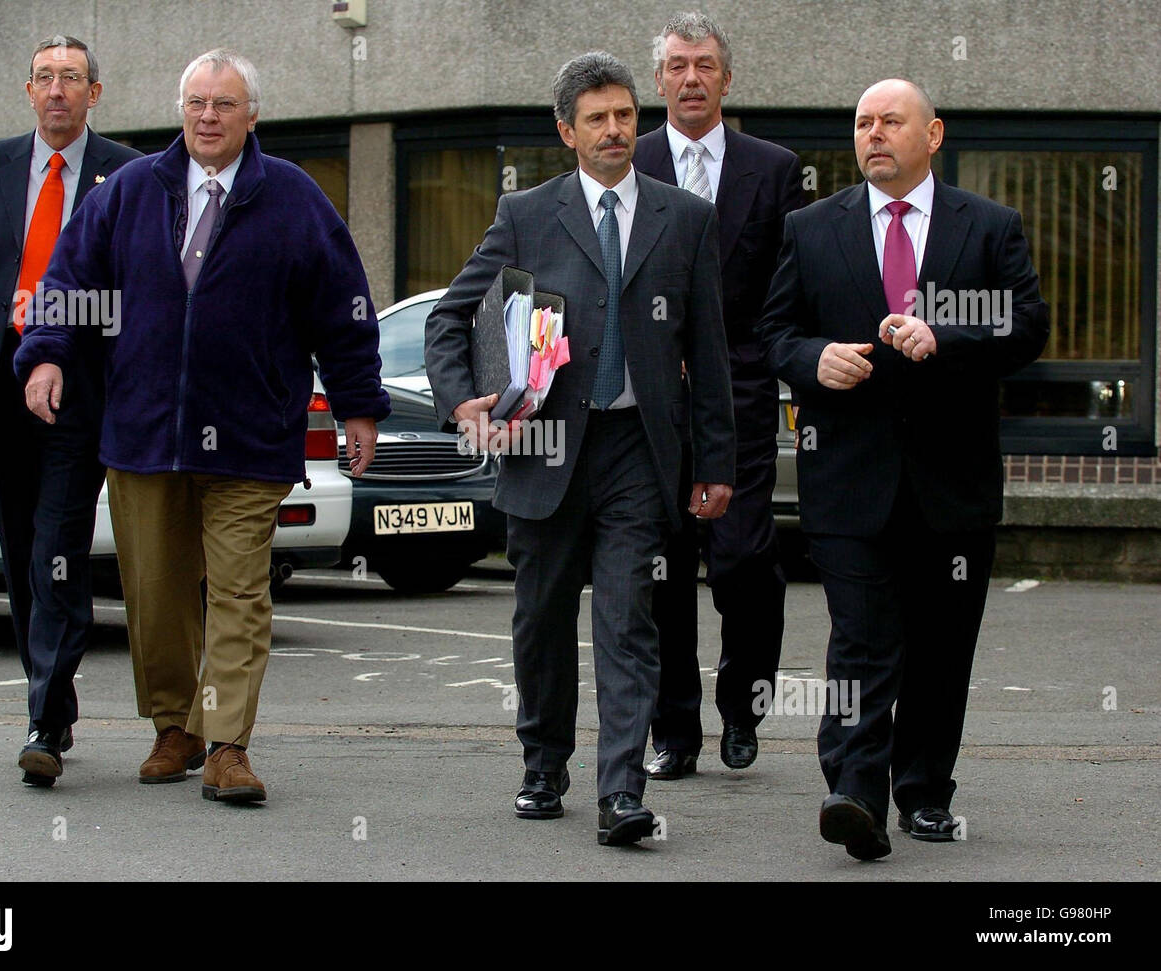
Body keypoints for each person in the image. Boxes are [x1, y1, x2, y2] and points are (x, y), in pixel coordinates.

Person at [15, 48, 389, 805]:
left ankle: (225, 744)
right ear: (179, 110)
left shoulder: (293, 198)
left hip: (250, 436)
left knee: (239, 592)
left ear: (252, 115)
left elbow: (342, 309)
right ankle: (172, 727)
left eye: (223, 104)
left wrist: (357, 405)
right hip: (145, 433)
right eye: (196, 103)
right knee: (153, 592)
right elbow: (66, 280)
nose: (208, 117)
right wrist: (46, 355)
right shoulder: (128, 191)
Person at [426, 51, 736, 846]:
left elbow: (711, 352)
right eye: (596, 118)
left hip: (640, 448)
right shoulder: (527, 215)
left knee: (631, 619)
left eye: (626, 114)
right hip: (545, 446)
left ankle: (623, 792)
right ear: (567, 131)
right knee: (542, 619)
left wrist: (716, 466)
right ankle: (543, 763)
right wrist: (463, 399)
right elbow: (450, 317)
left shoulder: (686, 218)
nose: (614, 130)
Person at [756, 78, 1049, 859]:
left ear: (934, 134)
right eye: (862, 122)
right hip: (847, 482)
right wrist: (816, 358)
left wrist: (945, 337)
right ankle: (855, 788)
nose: (874, 133)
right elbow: (775, 333)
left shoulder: (988, 226)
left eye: (891, 121)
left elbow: (1026, 324)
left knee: (940, 646)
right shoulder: (812, 228)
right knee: (860, 638)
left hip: (952, 486)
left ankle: (923, 791)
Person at [0, 35, 141, 787]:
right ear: (28, 89)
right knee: (21, 559)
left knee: (58, 550)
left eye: (71, 79)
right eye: (44, 78)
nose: (56, 92)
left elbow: (139, 289)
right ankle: (55, 698)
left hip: (79, 392)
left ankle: (42, 719)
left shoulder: (127, 173)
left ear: (93, 94)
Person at [634, 10, 805, 780]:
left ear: (727, 79)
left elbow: (787, 290)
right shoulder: (625, 163)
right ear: (659, 79)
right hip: (645, 412)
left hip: (737, 404)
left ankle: (743, 706)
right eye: (677, 65)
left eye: (705, 64)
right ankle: (675, 731)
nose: (691, 78)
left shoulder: (773, 169)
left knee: (743, 564)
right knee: (661, 572)